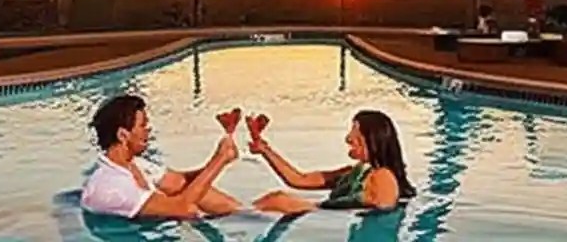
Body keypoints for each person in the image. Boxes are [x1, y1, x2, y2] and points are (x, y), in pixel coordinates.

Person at [81, 94, 242, 220]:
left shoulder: (134, 164)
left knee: (191, 191)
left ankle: (246, 214)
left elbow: (178, 182)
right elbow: (181, 209)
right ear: (123, 135)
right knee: (190, 208)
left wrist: (218, 161)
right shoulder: (112, 187)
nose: (148, 130)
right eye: (142, 125)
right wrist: (219, 160)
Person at [250, 109, 416, 215]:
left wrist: (313, 208)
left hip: (328, 215)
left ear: (373, 140)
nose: (349, 139)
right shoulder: (353, 173)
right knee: (276, 199)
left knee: (278, 200)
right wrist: (265, 150)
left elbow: (383, 208)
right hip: (324, 212)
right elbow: (299, 180)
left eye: (356, 134)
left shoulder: (383, 176)